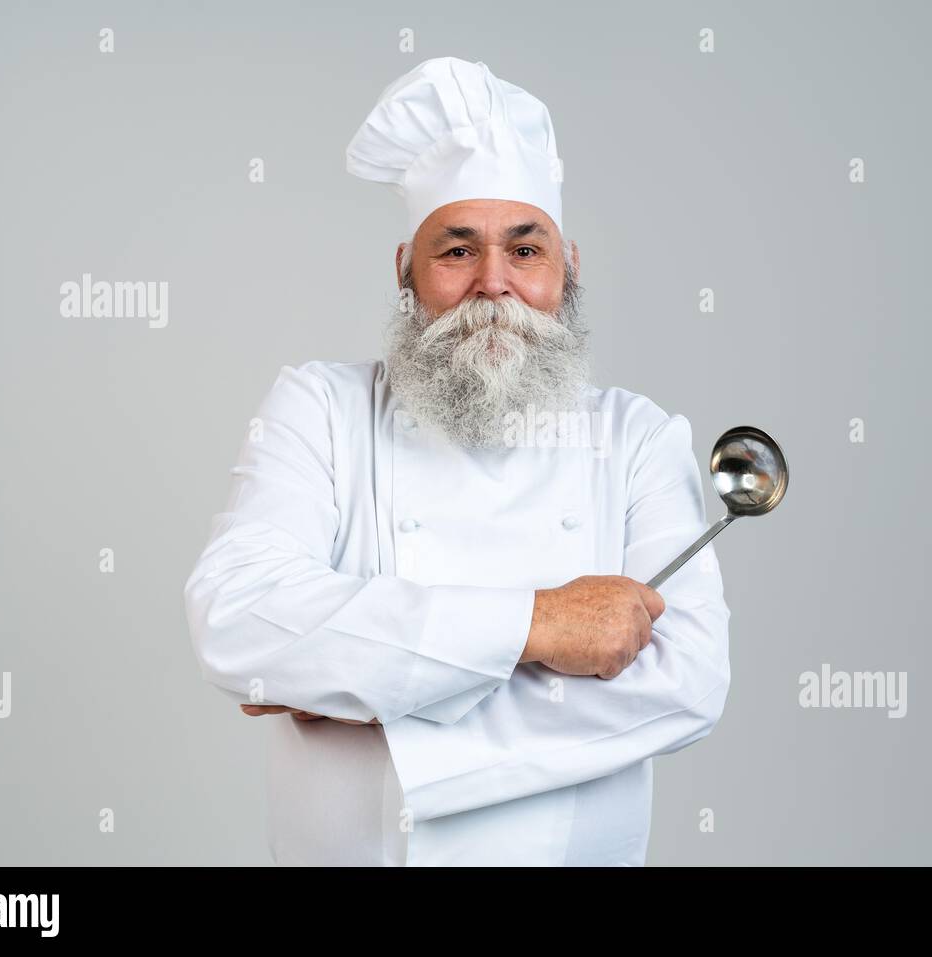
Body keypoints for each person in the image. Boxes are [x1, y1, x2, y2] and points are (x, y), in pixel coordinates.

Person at [183, 56, 731, 866]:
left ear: (566, 267)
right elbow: (236, 619)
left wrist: (375, 699)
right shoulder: (321, 410)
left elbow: (687, 685)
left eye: (525, 250)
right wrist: (544, 623)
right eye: (457, 251)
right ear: (405, 270)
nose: (493, 285)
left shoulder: (638, 438)